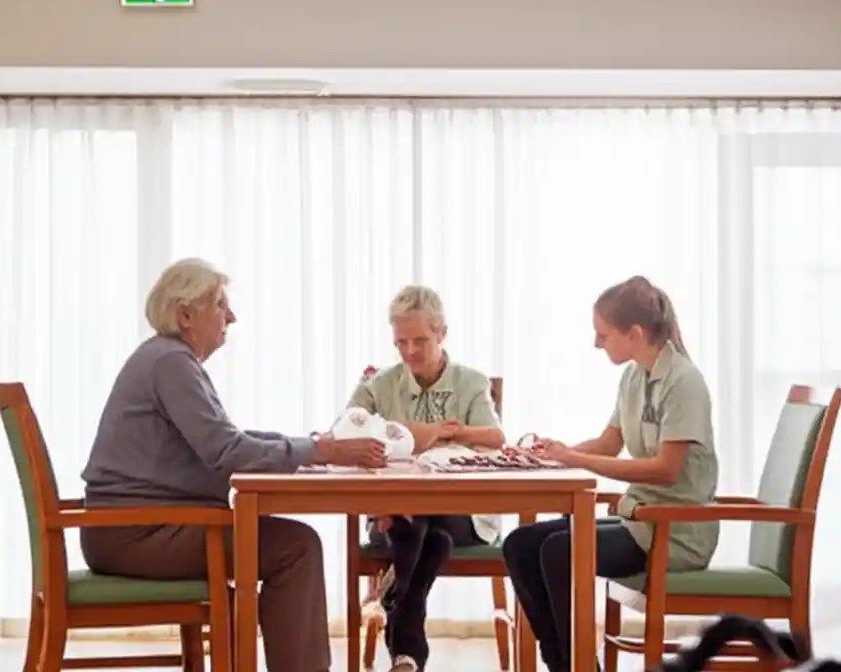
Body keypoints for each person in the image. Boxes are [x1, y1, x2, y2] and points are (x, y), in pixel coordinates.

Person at [79, 258, 386, 672]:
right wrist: (320, 451)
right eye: (220, 304)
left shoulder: (168, 359)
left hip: (139, 527)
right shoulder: (171, 364)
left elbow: (229, 440)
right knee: (296, 548)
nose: (233, 316)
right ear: (185, 315)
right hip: (137, 533)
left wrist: (311, 447)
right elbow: (228, 453)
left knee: (291, 543)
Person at [502, 276, 720, 672]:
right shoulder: (634, 376)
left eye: (602, 335)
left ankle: (578, 667)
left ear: (634, 333)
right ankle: (567, 664)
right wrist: (552, 454)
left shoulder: (685, 382)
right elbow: (608, 443)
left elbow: (666, 470)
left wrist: (578, 461)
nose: (596, 343)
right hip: (641, 520)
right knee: (519, 545)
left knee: (557, 550)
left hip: (674, 531)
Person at [347, 284, 507, 672]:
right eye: (400, 342)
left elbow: (496, 438)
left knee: (417, 518)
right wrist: (433, 430)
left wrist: (447, 433)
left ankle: (399, 618)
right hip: (397, 514)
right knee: (428, 533)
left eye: (419, 340)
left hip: (459, 514)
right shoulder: (380, 383)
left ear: (442, 333)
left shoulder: (470, 381)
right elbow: (346, 429)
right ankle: (408, 645)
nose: (409, 352)